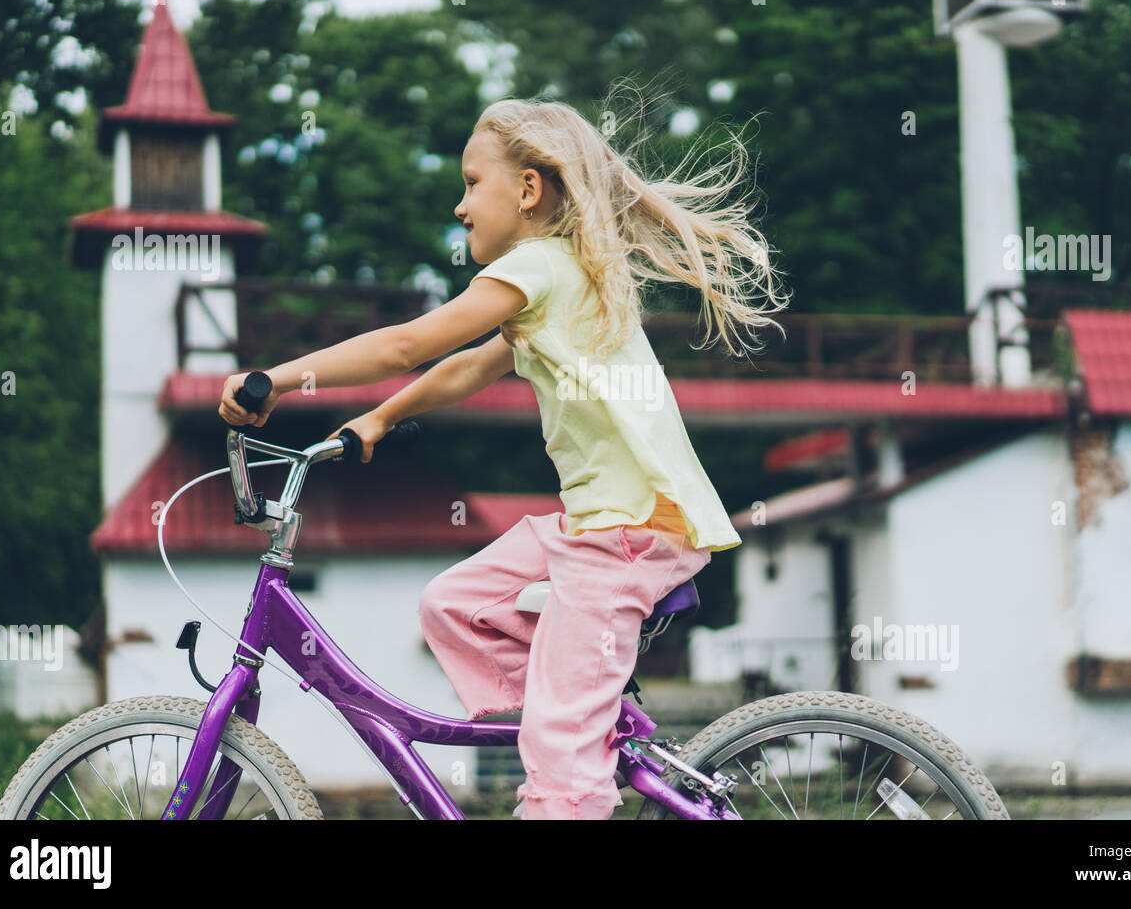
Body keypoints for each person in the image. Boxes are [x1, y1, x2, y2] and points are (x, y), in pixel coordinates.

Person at [218, 83, 790, 818]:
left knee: (557, 767)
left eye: (470, 183)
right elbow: (465, 366)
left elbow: (409, 342)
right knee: (455, 605)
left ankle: (567, 775)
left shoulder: (539, 268)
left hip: (628, 535)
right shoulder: (554, 281)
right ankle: (577, 730)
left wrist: (281, 380)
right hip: (600, 529)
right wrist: (382, 419)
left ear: (527, 189)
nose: (459, 206)